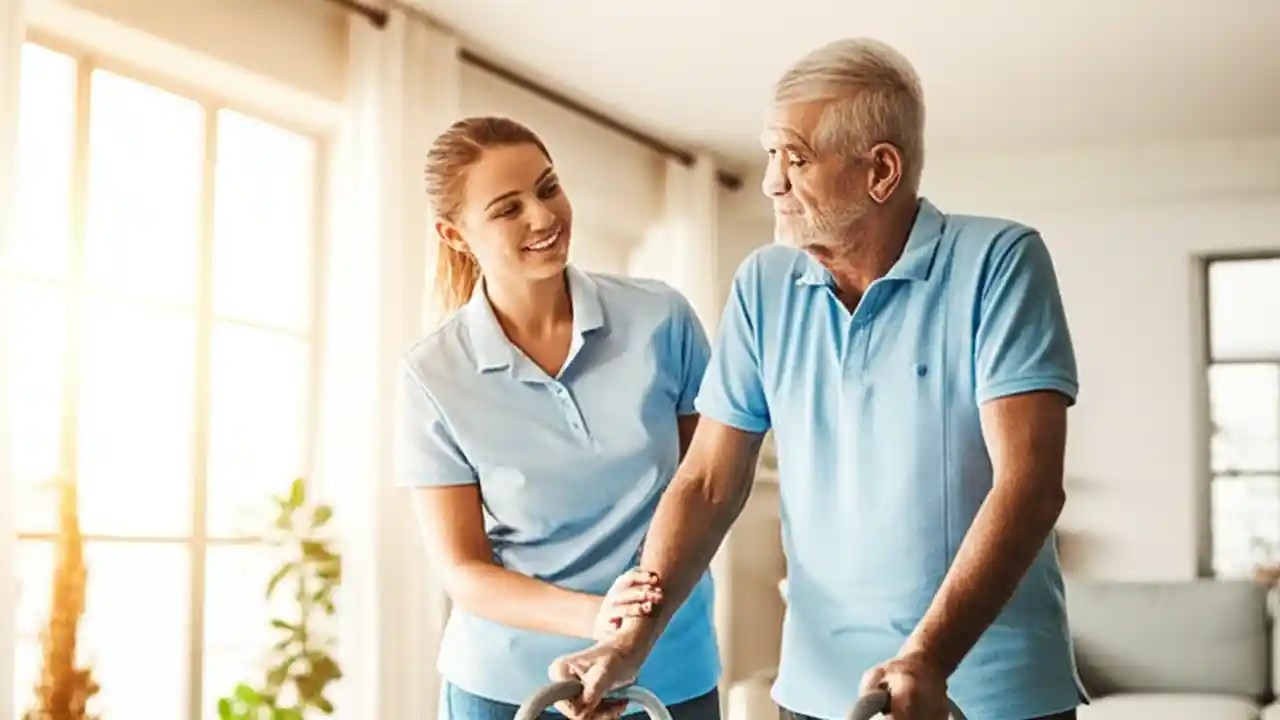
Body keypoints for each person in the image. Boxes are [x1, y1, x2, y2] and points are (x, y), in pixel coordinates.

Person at [548, 38, 1087, 720]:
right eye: (771, 154)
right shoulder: (763, 285)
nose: (771, 180)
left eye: (794, 158)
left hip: (986, 690)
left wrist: (927, 657)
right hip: (818, 690)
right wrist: (628, 644)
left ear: (881, 171)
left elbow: (1030, 485)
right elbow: (709, 483)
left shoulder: (999, 262)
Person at [395, 116, 721, 720]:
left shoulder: (662, 319)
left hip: (668, 668)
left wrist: (631, 634)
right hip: (507, 684)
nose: (543, 218)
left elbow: (707, 488)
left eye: (548, 188)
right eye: (507, 208)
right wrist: (595, 616)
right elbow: (463, 571)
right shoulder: (433, 373)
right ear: (455, 234)